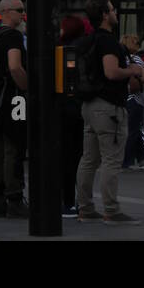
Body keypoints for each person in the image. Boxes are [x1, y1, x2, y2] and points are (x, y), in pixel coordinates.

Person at [75, 0, 144, 225]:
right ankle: (112, 210)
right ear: (105, 15)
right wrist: (133, 70)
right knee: (111, 161)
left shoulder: (86, 41)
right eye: (112, 10)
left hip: (89, 105)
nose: (115, 13)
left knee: (88, 160)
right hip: (109, 108)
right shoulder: (108, 42)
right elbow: (112, 72)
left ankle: (84, 207)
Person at [0, 0, 28, 218]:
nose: (23, 14)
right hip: (15, 98)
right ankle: (15, 196)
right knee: (15, 146)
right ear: (5, 11)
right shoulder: (13, 36)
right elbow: (15, 67)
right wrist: (27, 87)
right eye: (19, 10)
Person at [58, 15, 86, 216]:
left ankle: (66, 201)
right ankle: (71, 201)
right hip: (75, 109)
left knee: (65, 157)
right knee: (74, 157)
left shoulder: (58, 48)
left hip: (60, 109)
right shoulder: (78, 51)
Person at [121, 33, 144, 171]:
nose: (139, 45)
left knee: (133, 128)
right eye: (136, 42)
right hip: (135, 99)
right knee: (132, 130)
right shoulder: (136, 59)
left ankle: (142, 157)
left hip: (123, 98)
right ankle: (126, 162)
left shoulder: (119, 59)